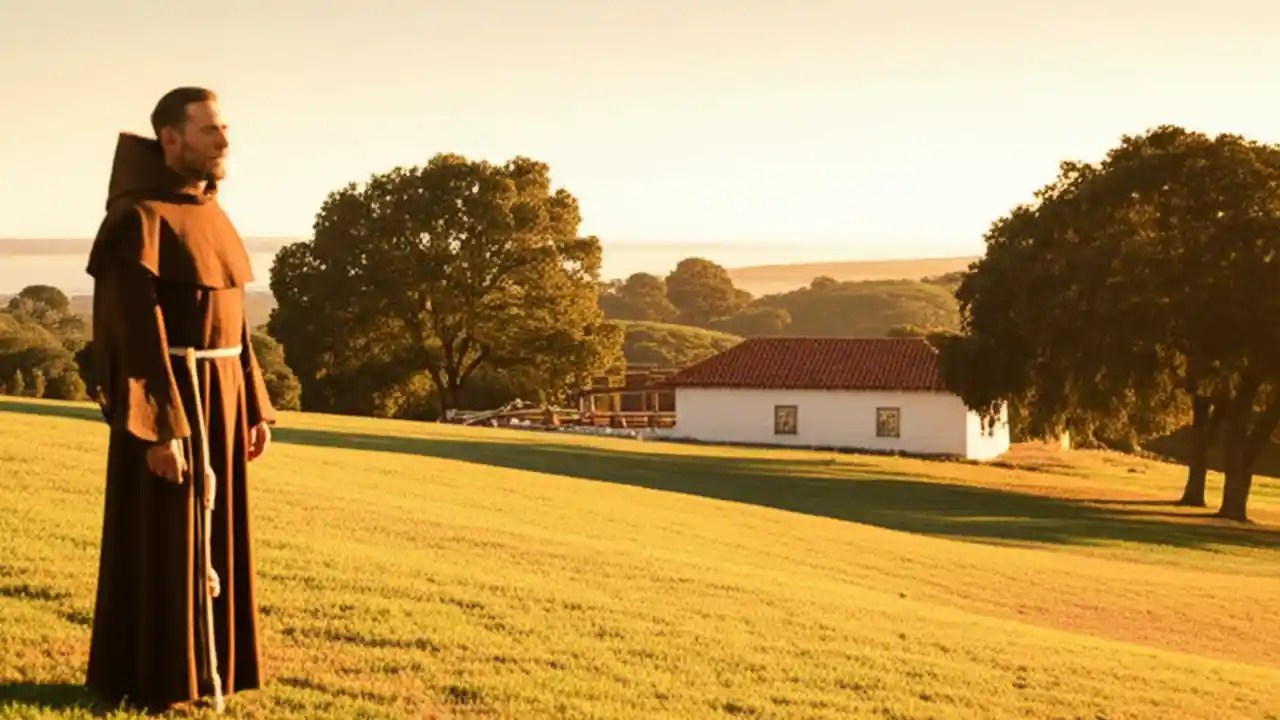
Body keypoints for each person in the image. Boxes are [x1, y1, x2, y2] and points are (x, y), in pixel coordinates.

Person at [82, 86, 276, 714]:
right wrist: (159, 430)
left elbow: (234, 326)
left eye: (225, 129)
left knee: (214, 537)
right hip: (176, 403)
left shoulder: (212, 213)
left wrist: (253, 405)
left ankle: (211, 673)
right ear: (170, 138)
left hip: (221, 399)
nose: (225, 140)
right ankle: (159, 678)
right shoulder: (136, 220)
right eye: (210, 130)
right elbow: (132, 335)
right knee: (164, 538)